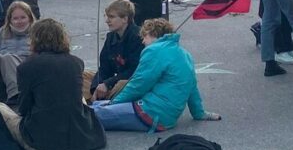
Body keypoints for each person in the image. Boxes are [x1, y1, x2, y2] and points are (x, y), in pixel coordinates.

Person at [92, 17, 220, 131]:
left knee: (92, 116)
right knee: (97, 106)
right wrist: (199, 113)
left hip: (150, 113)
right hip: (167, 116)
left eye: (145, 37)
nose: (142, 42)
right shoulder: (185, 54)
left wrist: (114, 103)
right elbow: (192, 87)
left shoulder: (154, 50)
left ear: (154, 34)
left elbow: (139, 84)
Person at [11, 18, 107, 150]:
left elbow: (24, 107)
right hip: (82, 137)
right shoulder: (76, 63)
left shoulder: (26, 67)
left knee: (1, 108)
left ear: (34, 39)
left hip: (42, 141)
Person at [91, 0, 143, 100]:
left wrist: (107, 84)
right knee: (82, 76)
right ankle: (94, 100)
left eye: (112, 17)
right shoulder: (111, 37)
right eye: (107, 17)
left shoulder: (138, 37)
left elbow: (134, 71)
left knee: (120, 84)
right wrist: (96, 87)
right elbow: (104, 68)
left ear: (125, 19)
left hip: (132, 82)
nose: (107, 21)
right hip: (114, 80)